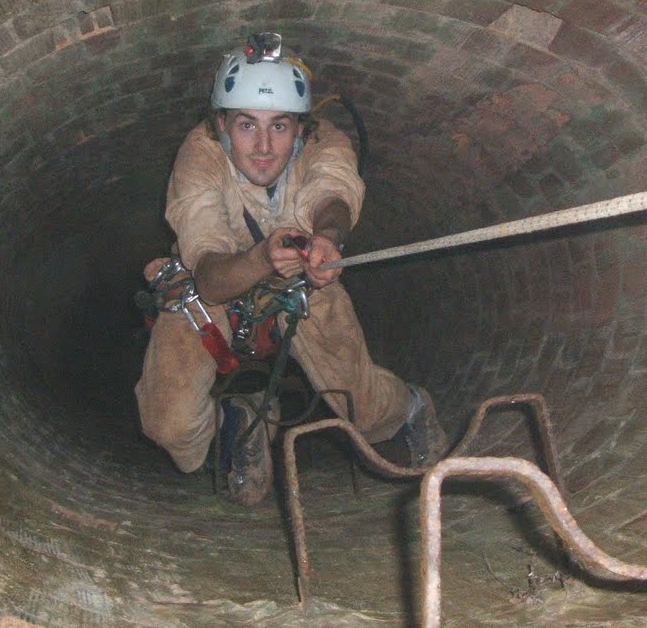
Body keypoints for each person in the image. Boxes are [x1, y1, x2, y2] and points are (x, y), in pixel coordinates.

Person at [137, 33, 446, 505]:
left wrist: (328, 238)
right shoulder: (198, 156)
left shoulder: (327, 143)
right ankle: (238, 421)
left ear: (301, 130)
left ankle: (410, 406)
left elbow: (334, 194)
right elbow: (209, 273)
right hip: (213, 287)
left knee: (361, 411)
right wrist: (260, 258)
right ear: (221, 125)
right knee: (169, 426)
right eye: (246, 126)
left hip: (303, 278)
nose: (263, 146)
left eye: (279, 127)